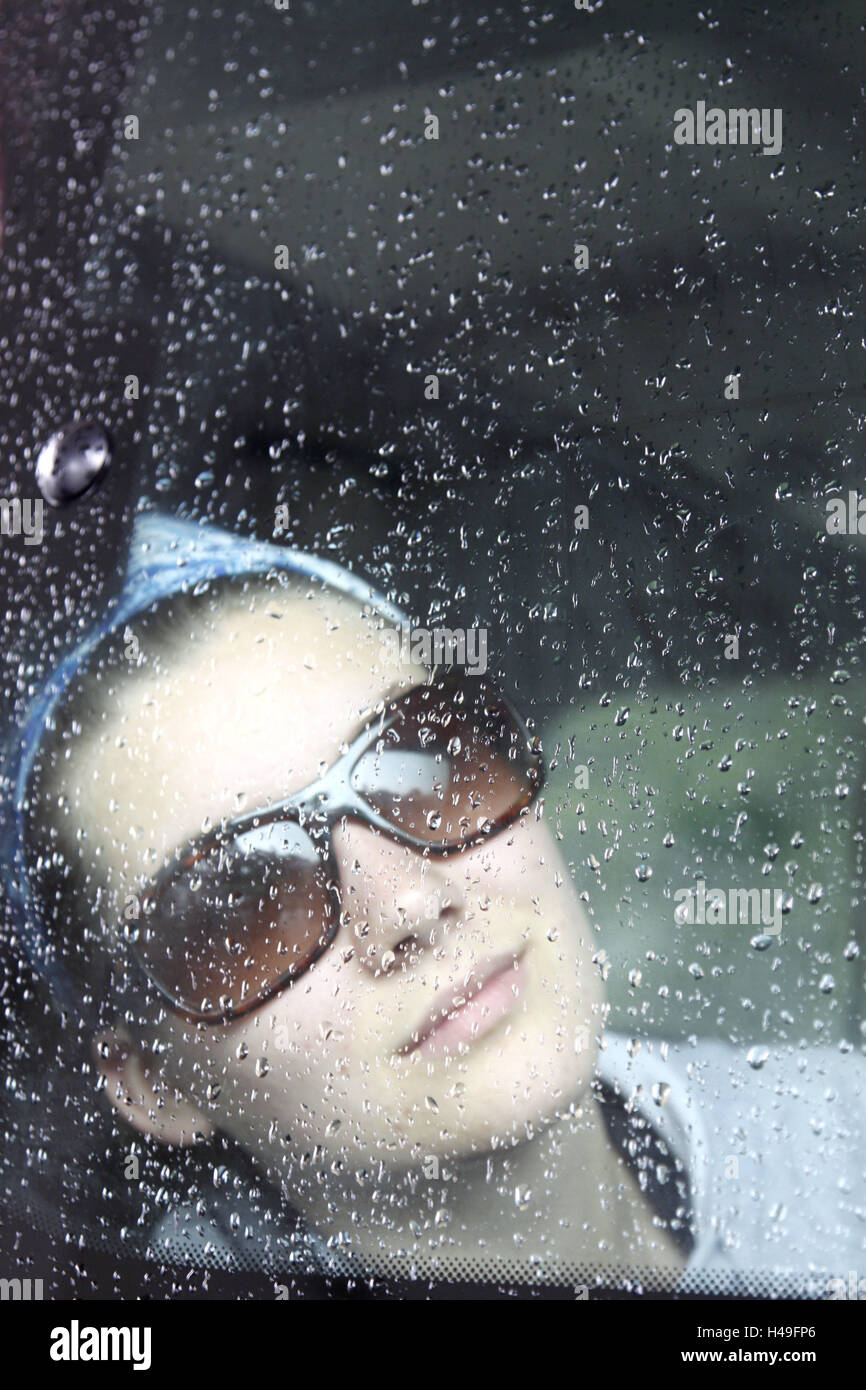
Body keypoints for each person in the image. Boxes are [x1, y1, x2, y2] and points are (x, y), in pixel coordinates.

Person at [3, 510, 863, 1294]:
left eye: (425, 768)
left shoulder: (841, 1129)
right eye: (244, 906)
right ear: (152, 1083)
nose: (410, 902)